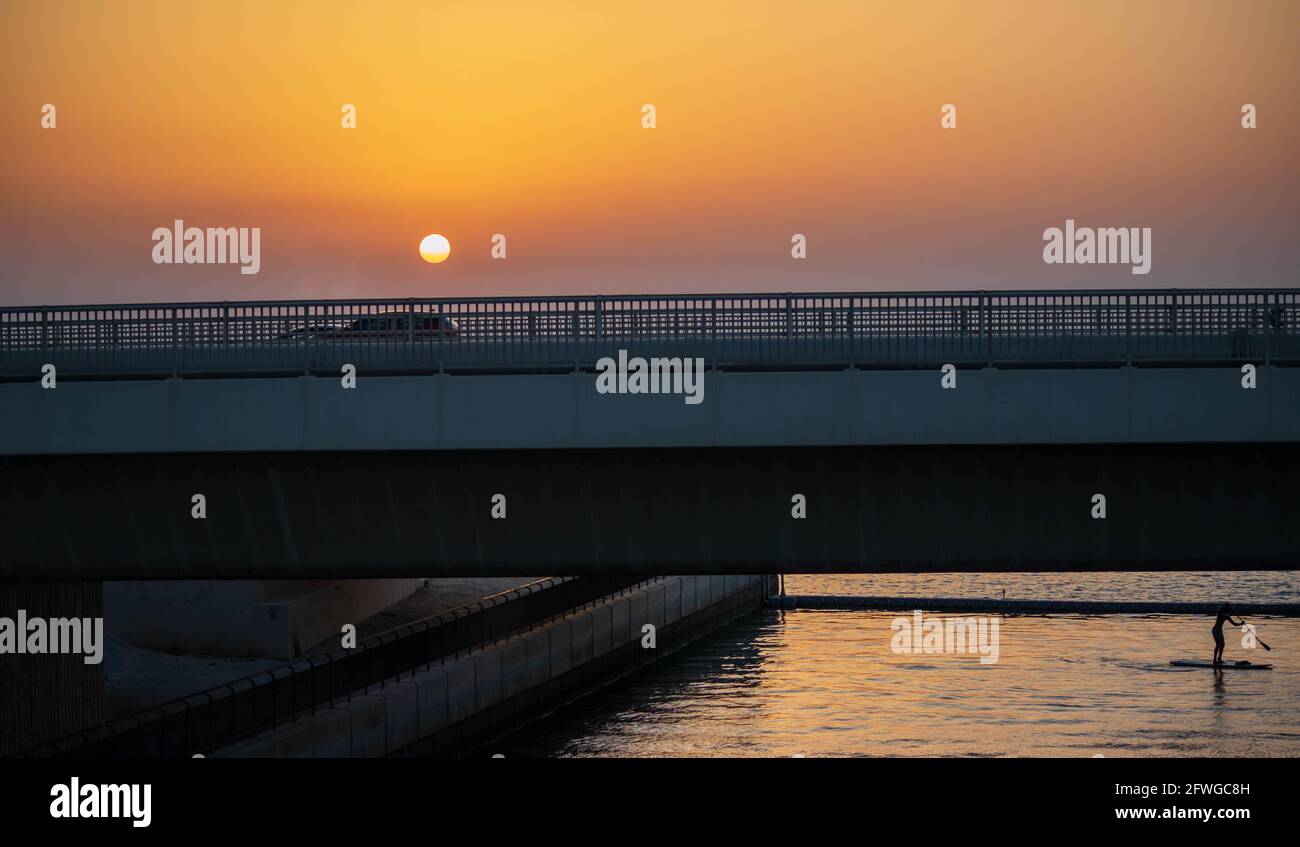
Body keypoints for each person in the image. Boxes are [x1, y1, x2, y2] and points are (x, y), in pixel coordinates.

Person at [1212, 602, 1245, 666]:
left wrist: (1241, 623)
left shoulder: (1226, 615)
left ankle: (1219, 659)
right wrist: (1228, 613)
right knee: (1218, 645)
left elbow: (1234, 624)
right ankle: (1214, 660)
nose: (1230, 609)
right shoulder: (1221, 613)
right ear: (1226, 608)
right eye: (1229, 608)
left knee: (1223, 645)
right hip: (1215, 630)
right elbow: (1221, 613)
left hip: (1219, 630)